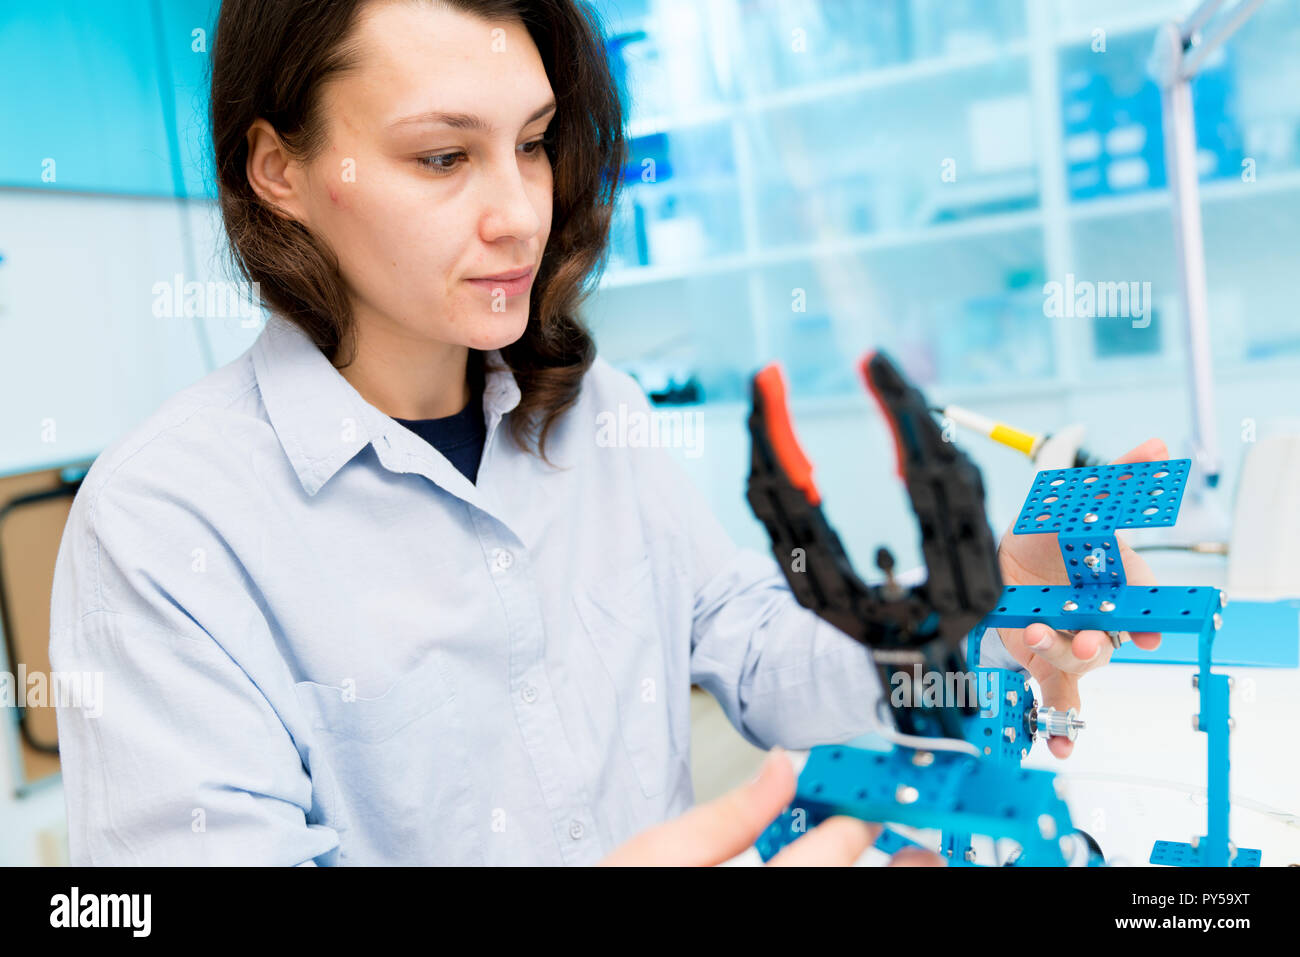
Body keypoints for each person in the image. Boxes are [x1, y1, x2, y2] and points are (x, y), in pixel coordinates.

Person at [48, 0, 1164, 865]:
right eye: (442, 157)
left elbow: (750, 643)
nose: (519, 210)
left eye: (531, 143)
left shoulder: (598, 415)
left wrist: (956, 618)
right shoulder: (163, 528)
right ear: (279, 169)